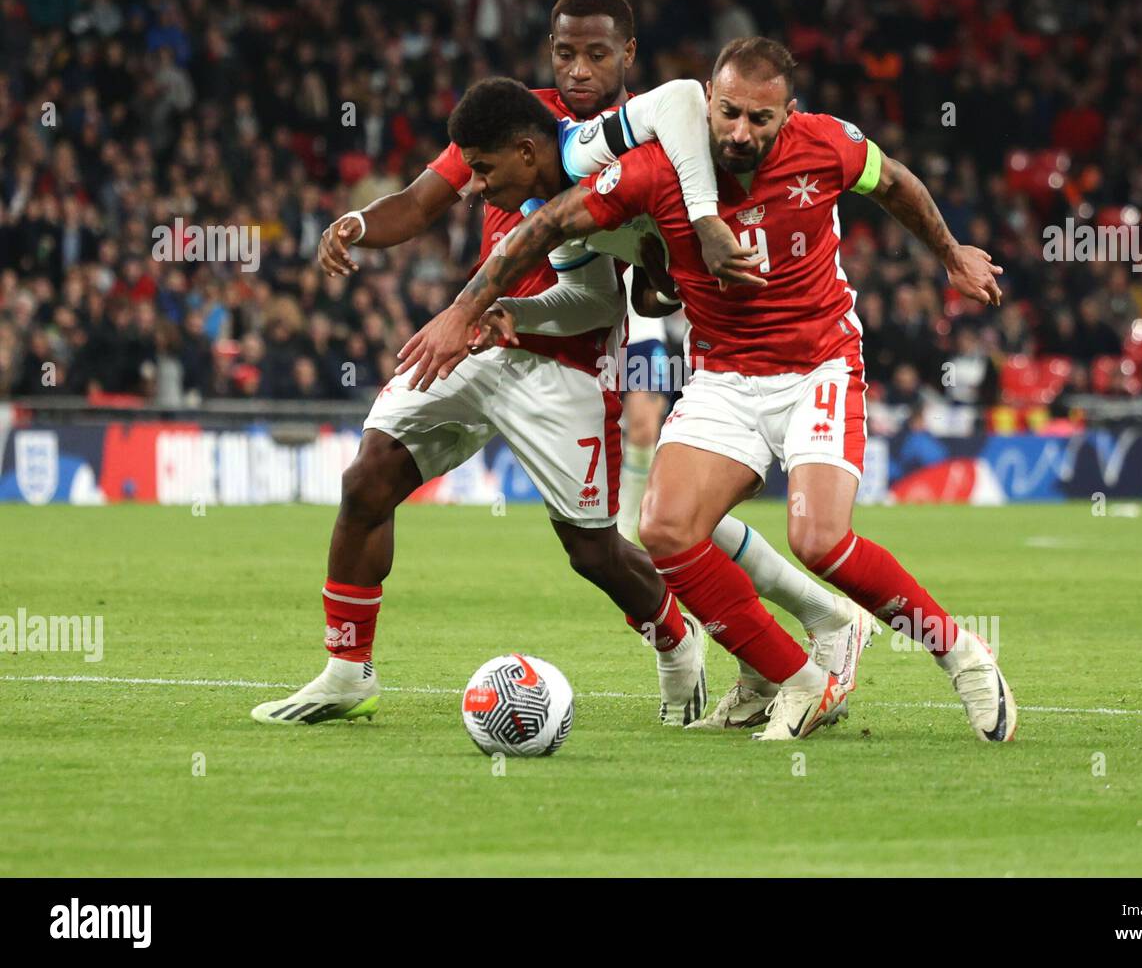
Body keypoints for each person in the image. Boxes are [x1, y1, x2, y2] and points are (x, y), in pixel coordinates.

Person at [252, 0, 863, 728]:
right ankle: (347, 669)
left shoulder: (653, 147)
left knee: (595, 549)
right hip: (479, 340)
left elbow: (641, 291)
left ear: (627, 56)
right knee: (367, 475)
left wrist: (656, 309)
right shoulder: (516, 119)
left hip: (571, 363)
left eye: (597, 54)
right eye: (565, 53)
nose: (578, 69)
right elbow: (419, 203)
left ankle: (678, 637)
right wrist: (356, 223)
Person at [402, 38, 1017, 744]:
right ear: (708, 102)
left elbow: (897, 183)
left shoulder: (827, 146)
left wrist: (950, 252)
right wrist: (464, 309)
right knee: (664, 527)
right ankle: (796, 678)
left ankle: (963, 654)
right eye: (728, 113)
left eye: (761, 119)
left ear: (789, 114)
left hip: (820, 362)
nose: (740, 133)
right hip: (724, 375)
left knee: (818, 539)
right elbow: (542, 226)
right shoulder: (654, 170)